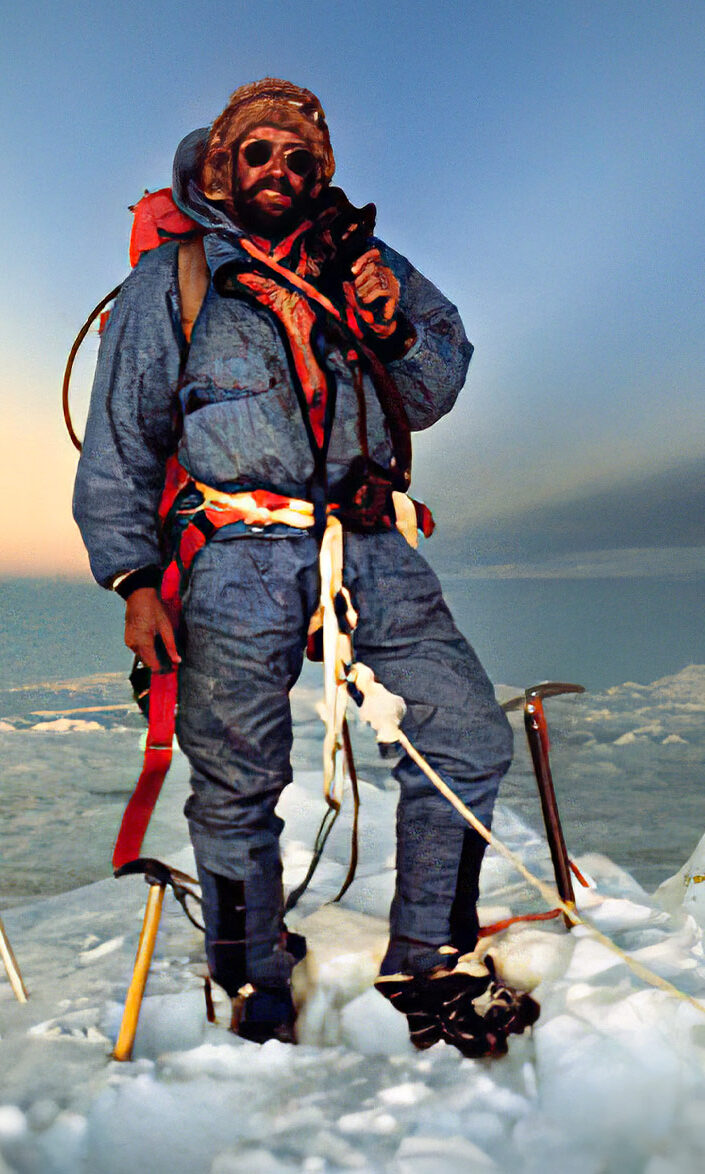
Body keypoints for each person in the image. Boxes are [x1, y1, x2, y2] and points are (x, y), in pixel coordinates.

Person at [74, 78, 531, 1053]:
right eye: (258, 153)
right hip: (233, 550)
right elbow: (121, 435)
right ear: (222, 164)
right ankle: (253, 983)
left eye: (298, 155)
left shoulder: (366, 260)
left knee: (465, 739)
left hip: (373, 538)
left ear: (320, 168)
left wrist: (395, 322)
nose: (278, 168)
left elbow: (438, 380)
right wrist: (133, 578)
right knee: (236, 776)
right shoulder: (180, 276)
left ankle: (429, 961)